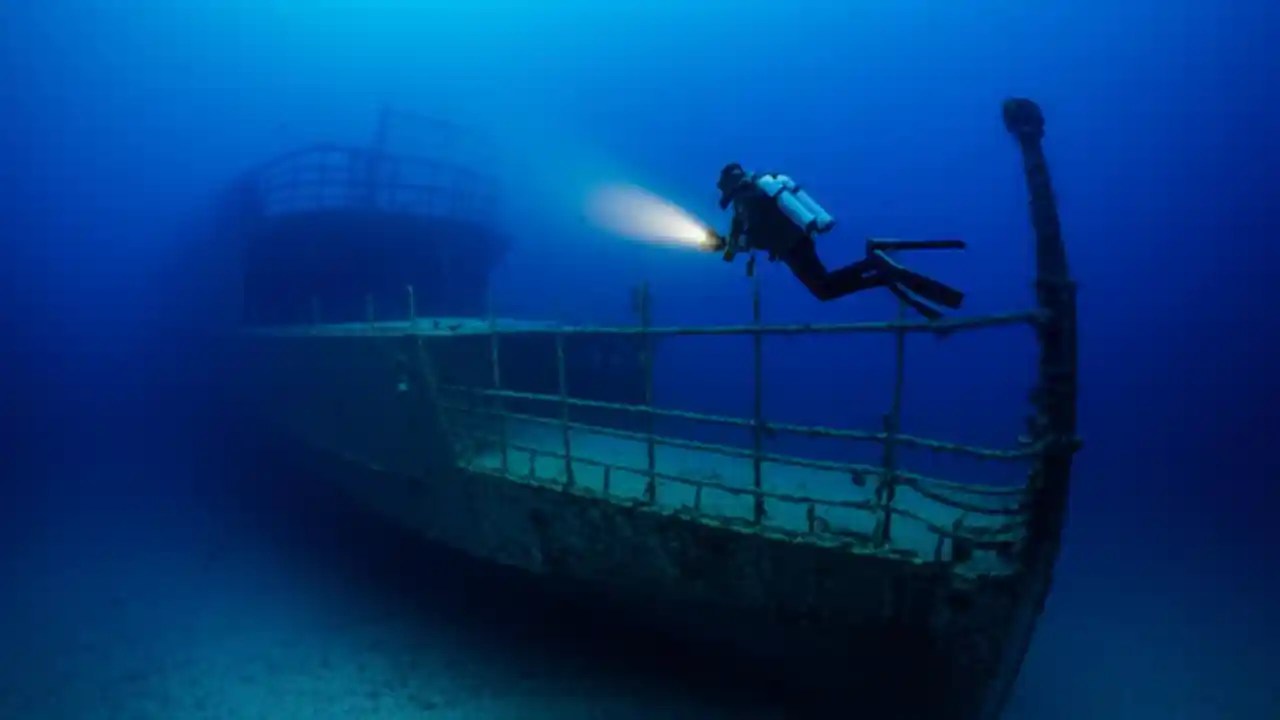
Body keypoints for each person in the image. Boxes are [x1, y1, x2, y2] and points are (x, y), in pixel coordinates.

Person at [706, 162, 966, 319]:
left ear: (728, 184)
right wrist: (729, 244)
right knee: (825, 287)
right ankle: (877, 273)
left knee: (824, 289)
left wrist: (735, 244)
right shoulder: (751, 194)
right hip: (796, 244)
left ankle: (874, 267)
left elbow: (758, 232)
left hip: (793, 247)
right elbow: (756, 232)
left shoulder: (746, 199)